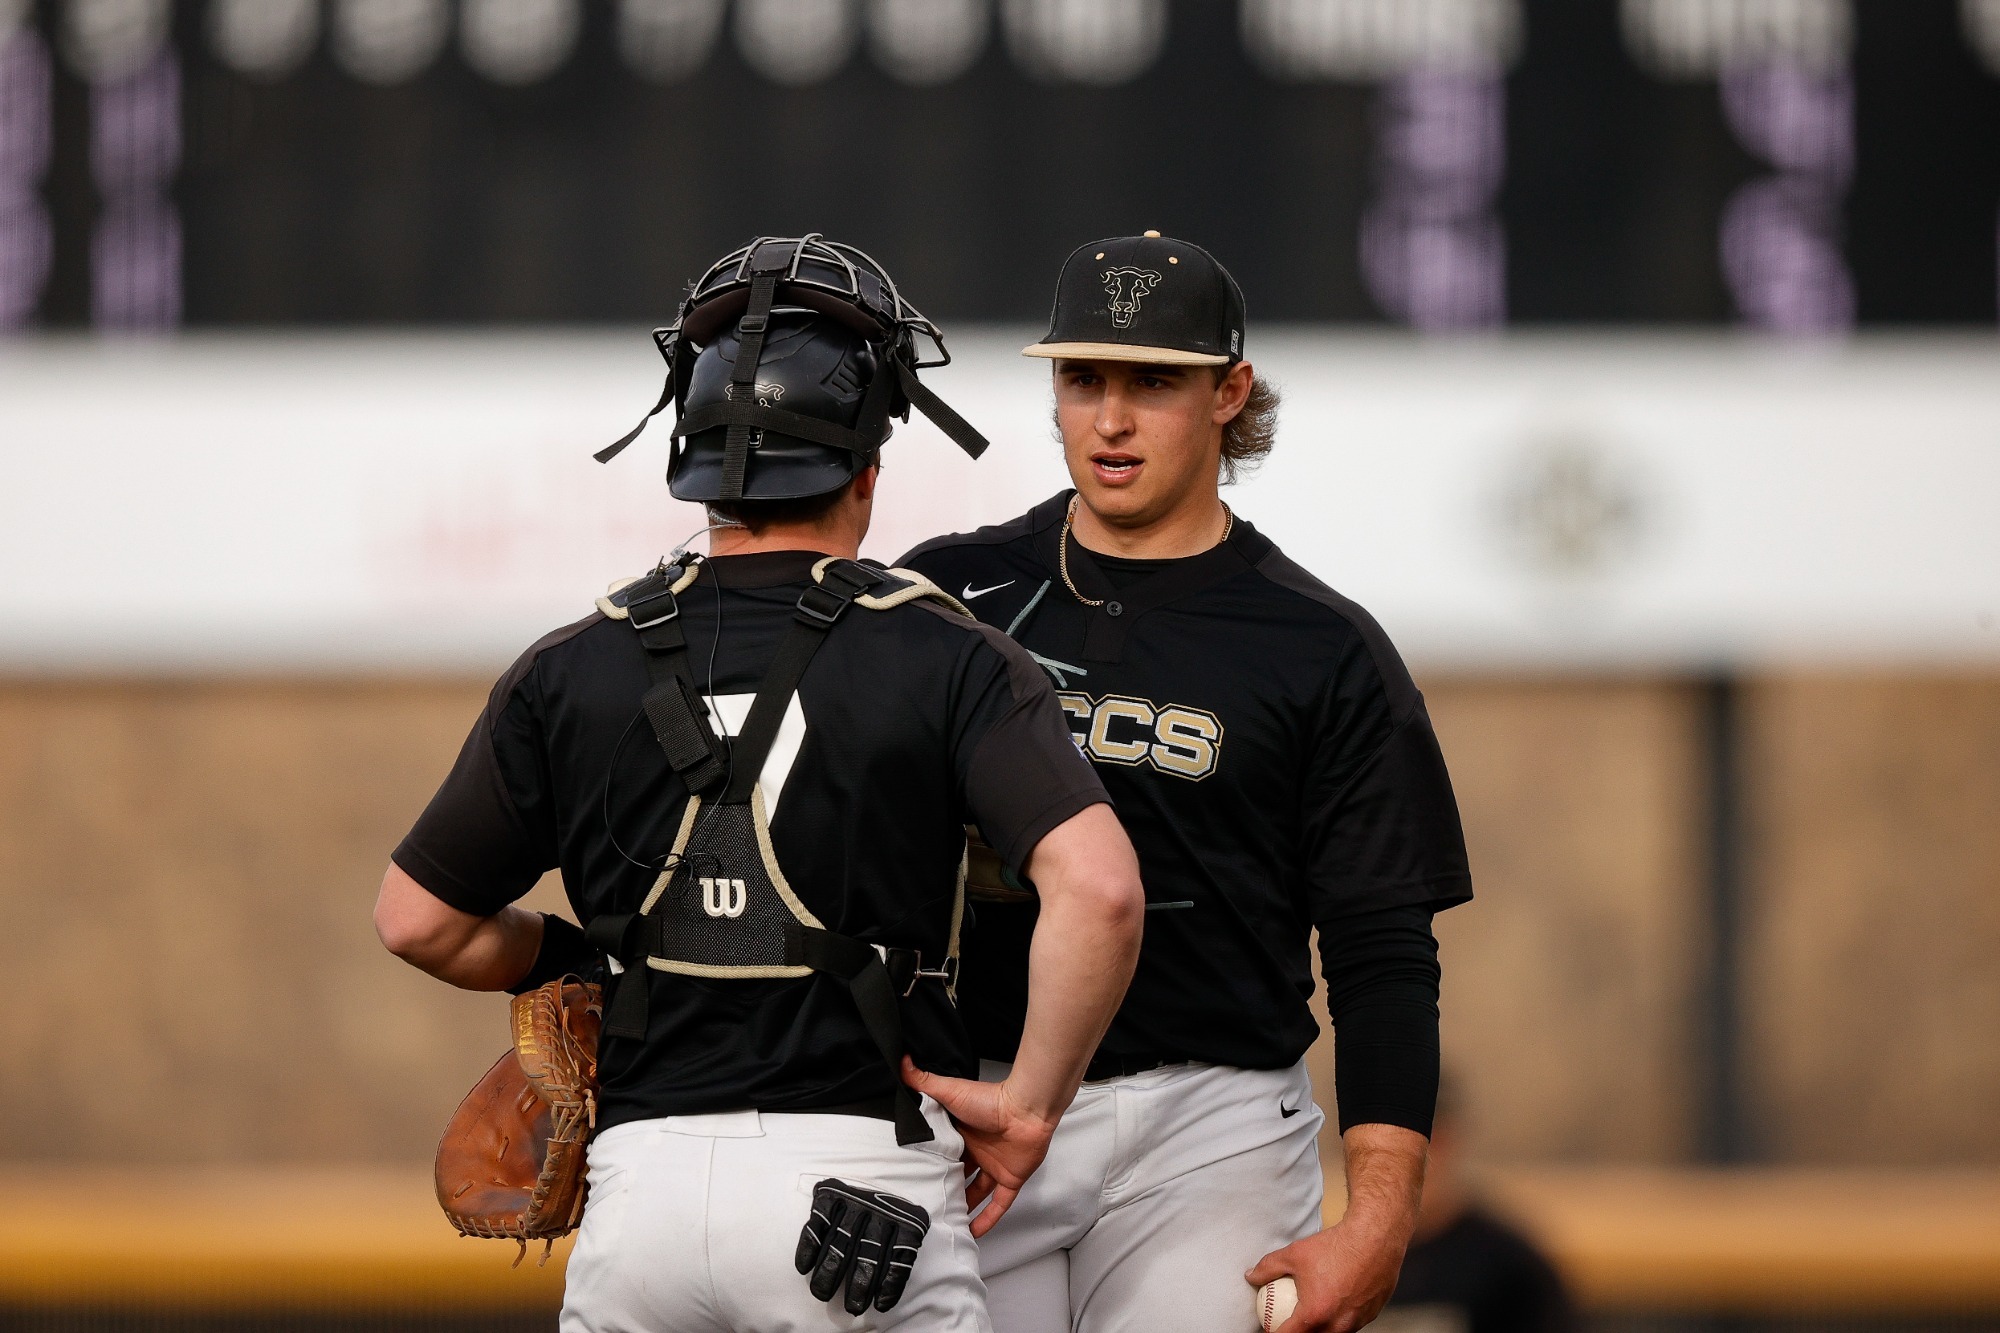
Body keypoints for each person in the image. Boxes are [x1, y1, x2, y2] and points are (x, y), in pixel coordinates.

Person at [373, 235, 1146, 1333]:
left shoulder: (567, 662)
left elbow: (415, 920)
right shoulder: (947, 652)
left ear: (689, 461)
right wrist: (1027, 1107)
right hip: (859, 1187)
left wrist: (568, 955)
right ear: (868, 467)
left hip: (636, 1194)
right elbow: (1103, 891)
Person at [899, 231, 1474, 1333]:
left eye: (1153, 381)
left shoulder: (1320, 646)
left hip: (1206, 1124)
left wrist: (1380, 1216)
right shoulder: (945, 596)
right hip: (969, 1103)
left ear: (1229, 392)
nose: (1109, 418)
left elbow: (1382, 955)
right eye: (1083, 379)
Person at [1377, 1079, 1574, 1333]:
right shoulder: (1343, 1261)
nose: (1415, 1156)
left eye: (1430, 1137)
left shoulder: (1512, 1269)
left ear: (1451, 1139)